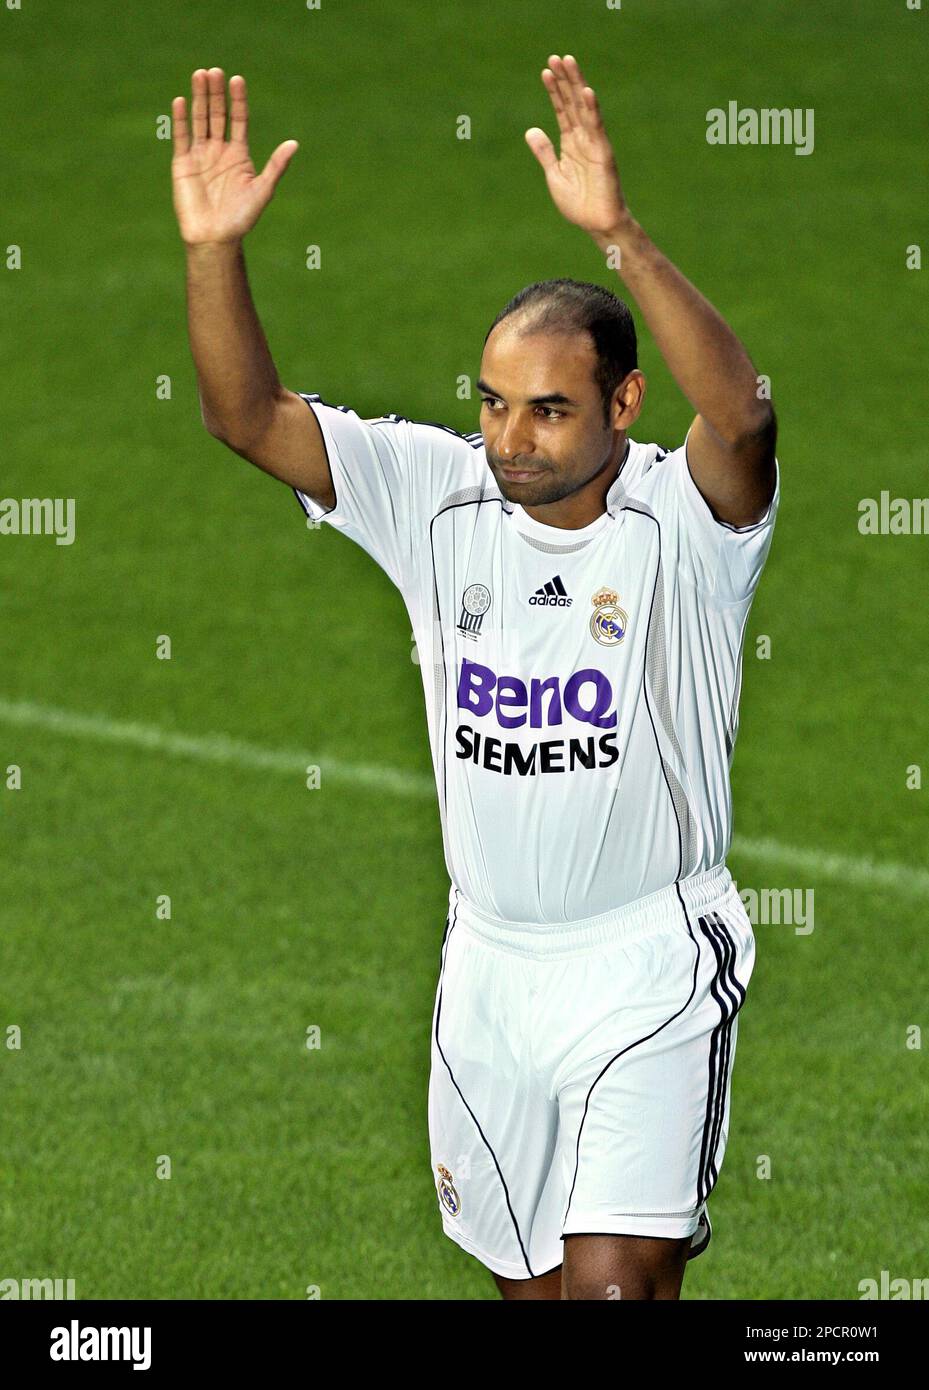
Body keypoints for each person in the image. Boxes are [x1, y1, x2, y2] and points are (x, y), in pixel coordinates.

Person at [171, 54, 779, 1301]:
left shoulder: (685, 522)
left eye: (549, 410)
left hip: (647, 964)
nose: (510, 438)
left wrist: (619, 235)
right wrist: (212, 250)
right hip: (489, 976)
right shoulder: (432, 496)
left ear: (622, 401)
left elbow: (747, 416)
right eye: (495, 404)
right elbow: (245, 415)